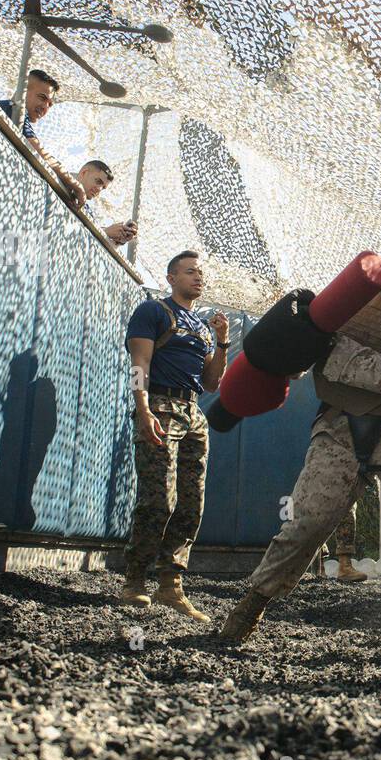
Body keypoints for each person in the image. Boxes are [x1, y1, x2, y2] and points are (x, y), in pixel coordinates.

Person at [218, 218, 381, 646]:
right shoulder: (355, 297)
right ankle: (251, 607)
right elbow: (340, 363)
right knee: (306, 524)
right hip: (340, 424)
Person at [122, 251, 229, 621]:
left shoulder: (201, 327)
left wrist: (223, 341)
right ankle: (135, 580)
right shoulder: (153, 312)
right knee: (158, 500)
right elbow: (140, 365)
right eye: (189, 272)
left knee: (190, 504)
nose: (198, 277)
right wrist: (143, 409)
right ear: (171, 277)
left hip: (193, 413)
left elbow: (213, 382)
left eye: (200, 272)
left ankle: (171, 586)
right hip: (161, 407)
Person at [0, 69, 86, 204]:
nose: (45, 107)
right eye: (42, 98)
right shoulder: (14, 110)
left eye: (50, 104)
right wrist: (76, 185)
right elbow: (41, 154)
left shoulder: (12, 113)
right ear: (23, 90)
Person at [75, 160, 138, 246]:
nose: (99, 189)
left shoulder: (87, 210)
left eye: (103, 188)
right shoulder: (59, 182)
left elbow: (87, 232)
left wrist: (118, 238)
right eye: (98, 181)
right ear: (84, 173)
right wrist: (105, 232)